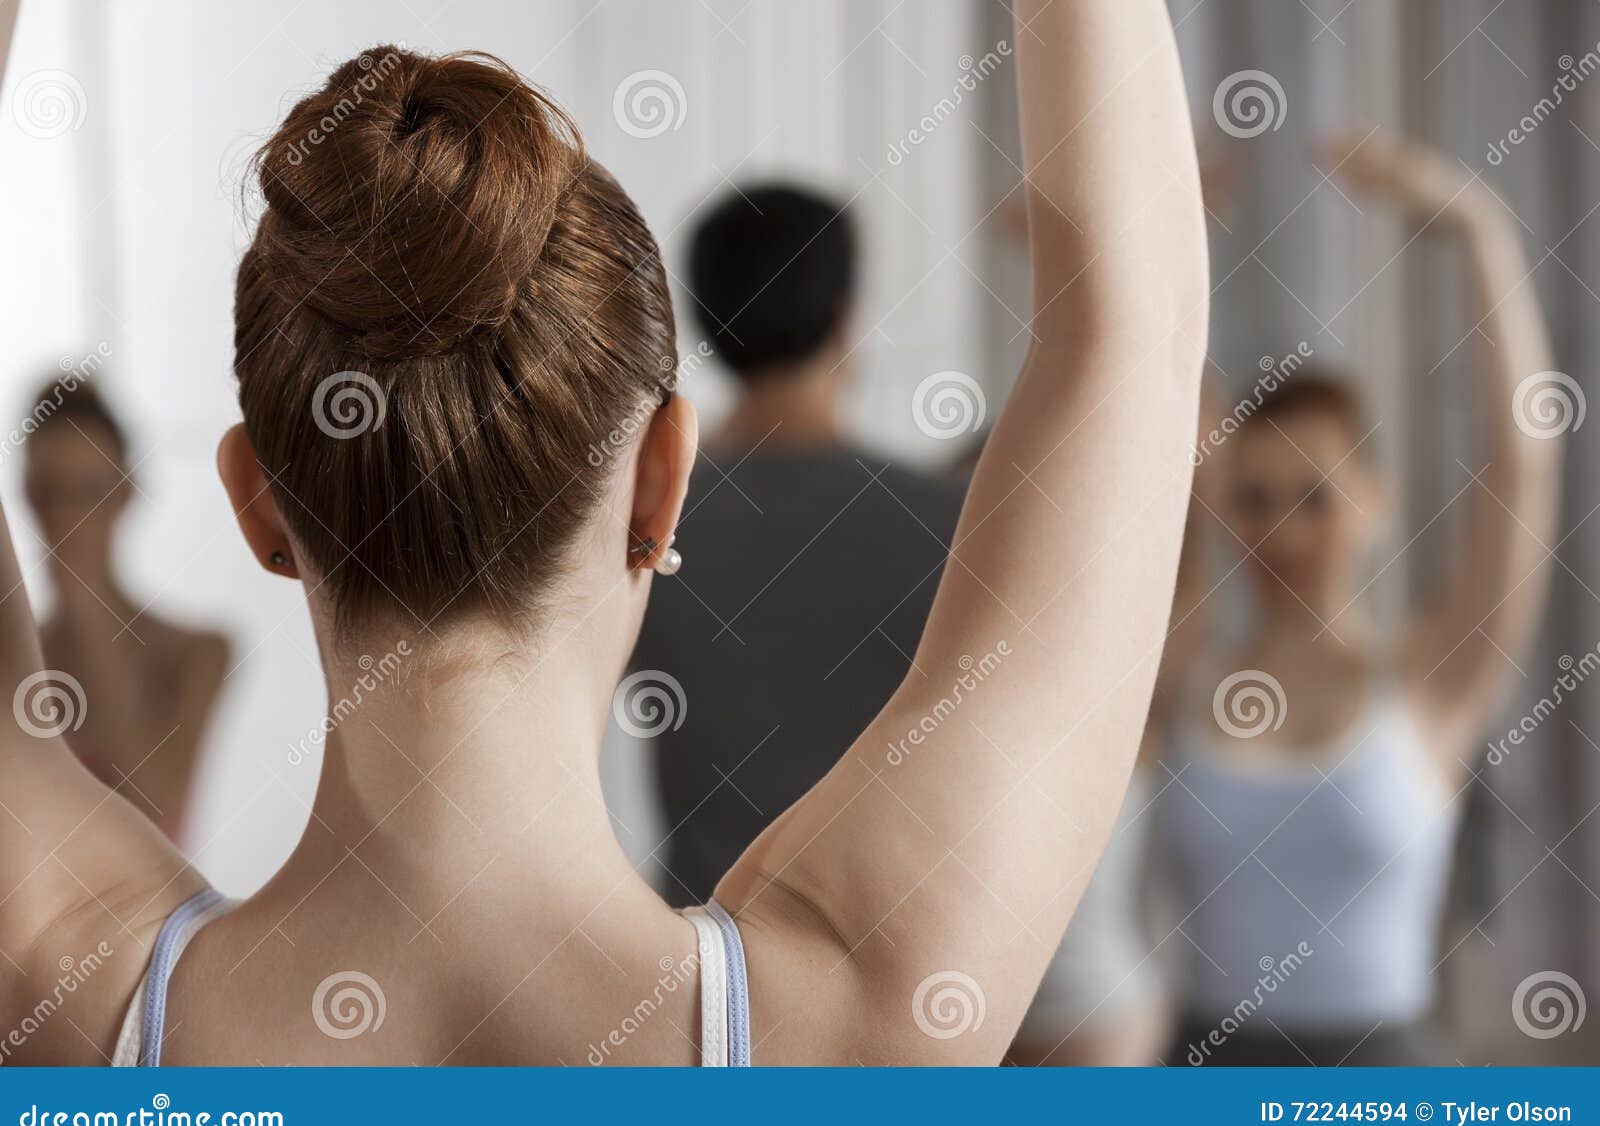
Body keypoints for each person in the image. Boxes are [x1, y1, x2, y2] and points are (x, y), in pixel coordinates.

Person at [0, 0, 1207, 1066]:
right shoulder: (857, 1008)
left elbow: (1123, 339)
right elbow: (1126, 337)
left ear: (258, 500)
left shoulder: (66, 993)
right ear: (660, 483)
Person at [1160, 133, 1563, 1066]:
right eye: (1254, 500)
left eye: (1315, 498)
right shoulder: (1179, 674)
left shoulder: (1430, 680)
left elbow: (1526, 458)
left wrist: (1479, 225)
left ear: (1375, 504)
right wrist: (1162, 243)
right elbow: (1153, 435)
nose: (1285, 532)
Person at [632, 183, 967, 909]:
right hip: (904, 952)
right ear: (845, 312)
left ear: (706, 322)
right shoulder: (954, 520)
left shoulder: (648, 528)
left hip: (701, 964)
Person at [20, 381, 230, 841]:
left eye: (89, 492)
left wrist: (86, 605)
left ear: (126, 493)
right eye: (49, 492)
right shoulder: (13, 661)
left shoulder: (197, 652)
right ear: (28, 498)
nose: (67, 516)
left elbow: (152, 806)